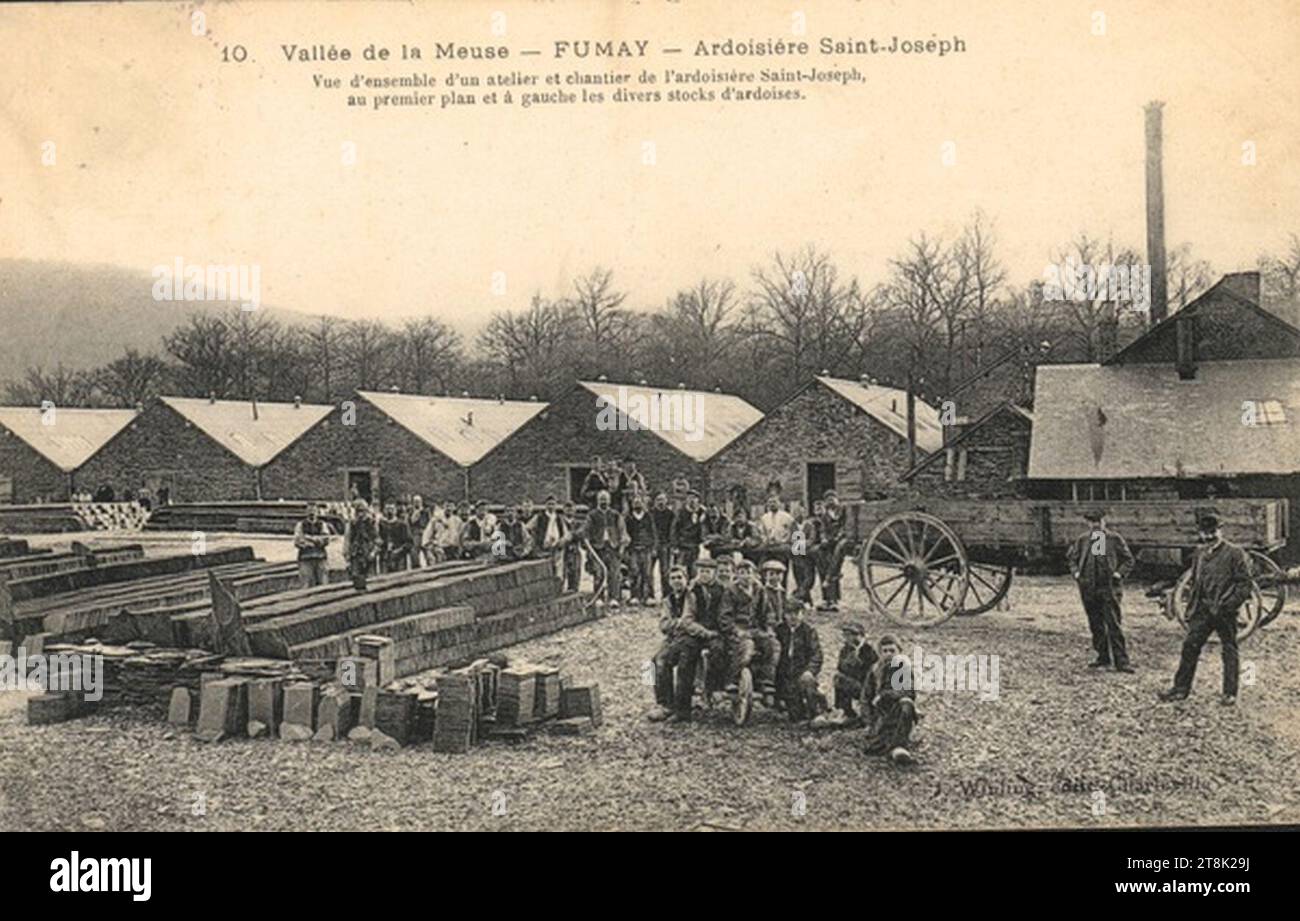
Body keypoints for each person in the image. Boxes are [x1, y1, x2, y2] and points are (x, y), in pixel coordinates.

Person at [1160, 514, 1254, 706]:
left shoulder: (1235, 553)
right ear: (1200, 533)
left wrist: (1228, 606)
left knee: (1229, 649)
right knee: (1190, 647)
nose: (1209, 536)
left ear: (1221, 530)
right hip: (1202, 611)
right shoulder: (1200, 553)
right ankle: (1180, 689)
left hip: (1224, 611)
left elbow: (1244, 585)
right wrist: (1191, 609)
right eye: (1205, 533)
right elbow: (1195, 583)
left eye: (1213, 532)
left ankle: (1229, 693)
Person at [1069, 507, 1136, 672]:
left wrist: (1119, 574)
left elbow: (1128, 560)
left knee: (1113, 623)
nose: (1095, 525)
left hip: (1108, 587)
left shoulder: (1114, 539)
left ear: (1104, 521)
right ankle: (1103, 657)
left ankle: (1122, 661)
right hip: (1089, 587)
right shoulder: (1083, 540)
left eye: (1098, 521)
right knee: (1095, 624)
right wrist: (1077, 574)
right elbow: (1072, 559)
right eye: (1092, 522)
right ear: (1087, 523)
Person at [648, 566, 714, 723]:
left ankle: (682, 708)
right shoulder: (668, 601)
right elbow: (663, 626)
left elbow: (689, 622)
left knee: (685, 662)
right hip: (674, 638)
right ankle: (663, 702)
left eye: (680, 577)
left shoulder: (692, 596)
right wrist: (677, 624)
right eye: (673, 578)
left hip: (692, 638)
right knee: (652, 662)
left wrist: (678, 623)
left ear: (686, 579)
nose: (677, 581)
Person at [728, 558, 785, 707]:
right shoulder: (731, 591)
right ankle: (734, 680)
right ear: (736, 575)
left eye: (748, 573)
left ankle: (767, 683)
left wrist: (770, 628)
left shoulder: (759, 590)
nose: (745, 576)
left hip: (755, 629)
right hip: (738, 629)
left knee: (773, 645)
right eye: (742, 573)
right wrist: (736, 630)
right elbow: (724, 617)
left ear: (754, 574)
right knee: (747, 647)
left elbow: (767, 612)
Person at [861, 634, 920, 765]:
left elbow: (907, 691)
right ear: (880, 653)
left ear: (899, 652)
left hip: (898, 712)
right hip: (880, 714)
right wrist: (868, 721)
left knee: (906, 703)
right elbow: (865, 697)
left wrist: (884, 695)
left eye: (892, 651)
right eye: (885, 651)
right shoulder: (875, 670)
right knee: (875, 744)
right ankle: (890, 746)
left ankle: (899, 746)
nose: (888, 654)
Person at [775, 598, 825, 721]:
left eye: (796, 613)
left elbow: (816, 655)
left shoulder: (809, 631)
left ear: (802, 614)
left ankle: (816, 712)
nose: (793, 617)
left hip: (801, 672)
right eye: (789, 613)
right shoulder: (779, 630)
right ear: (784, 615)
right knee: (796, 716)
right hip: (784, 676)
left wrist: (810, 671)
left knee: (808, 682)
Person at [686, 557, 727, 694]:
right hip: (696, 629)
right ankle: (691, 685)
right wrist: (701, 631)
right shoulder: (691, 589)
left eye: (707, 571)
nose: (704, 574)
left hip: (715, 630)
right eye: (701, 571)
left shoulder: (721, 589)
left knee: (718, 649)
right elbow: (688, 616)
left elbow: (724, 612)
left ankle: (713, 685)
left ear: (714, 573)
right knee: (689, 650)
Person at [584, 489, 627, 610]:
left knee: (614, 573)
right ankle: (599, 598)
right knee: (599, 573)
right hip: (598, 548)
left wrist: (622, 547)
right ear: (598, 500)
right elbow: (586, 531)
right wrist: (588, 545)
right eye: (601, 498)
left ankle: (614, 598)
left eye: (606, 499)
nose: (604, 501)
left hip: (613, 547)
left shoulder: (615, 514)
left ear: (610, 500)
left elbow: (622, 531)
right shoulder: (592, 515)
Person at [831, 623, 876, 725]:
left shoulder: (868, 650)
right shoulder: (845, 650)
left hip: (868, 688)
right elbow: (841, 668)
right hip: (855, 685)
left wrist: (858, 661)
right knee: (839, 679)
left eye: (851, 635)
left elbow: (872, 672)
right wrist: (849, 662)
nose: (848, 638)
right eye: (846, 635)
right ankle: (845, 711)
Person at [817, 490, 850, 611]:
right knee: (822, 562)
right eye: (828, 498)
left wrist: (838, 536)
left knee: (835, 564)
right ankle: (826, 599)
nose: (830, 500)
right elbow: (822, 530)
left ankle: (835, 599)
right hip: (829, 543)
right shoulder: (824, 515)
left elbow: (847, 526)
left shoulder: (844, 510)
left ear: (837, 499)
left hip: (841, 540)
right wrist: (824, 539)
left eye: (833, 497)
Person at [624, 493, 658, 606]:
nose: (637, 504)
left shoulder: (648, 517)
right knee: (634, 572)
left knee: (647, 573)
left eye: (639, 502)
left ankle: (649, 596)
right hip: (634, 549)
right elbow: (626, 534)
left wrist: (653, 548)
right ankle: (634, 596)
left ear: (643, 504)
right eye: (635, 502)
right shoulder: (628, 518)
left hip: (646, 549)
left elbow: (653, 533)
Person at [292, 503, 333, 588]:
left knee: (323, 584)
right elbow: (297, 540)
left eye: (314, 511)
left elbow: (326, 539)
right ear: (306, 512)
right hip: (305, 558)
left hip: (320, 557)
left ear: (317, 512)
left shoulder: (322, 525)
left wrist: (310, 538)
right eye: (309, 511)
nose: (312, 513)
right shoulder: (300, 525)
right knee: (305, 584)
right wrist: (312, 541)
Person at [343, 499, 379, 591]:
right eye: (358, 511)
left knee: (370, 580)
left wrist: (373, 552)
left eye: (363, 511)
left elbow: (377, 540)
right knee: (356, 578)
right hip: (356, 554)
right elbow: (348, 539)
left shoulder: (371, 523)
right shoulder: (352, 524)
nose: (360, 514)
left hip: (368, 553)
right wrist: (346, 554)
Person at [531, 495, 570, 576]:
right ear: (546, 505)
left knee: (558, 570)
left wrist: (562, 540)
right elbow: (527, 528)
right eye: (549, 504)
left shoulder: (559, 518)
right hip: (543, 547)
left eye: (553, 504)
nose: (551, 506)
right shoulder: (539, 517)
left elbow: (566, 533)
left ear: (556, 505)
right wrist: (535, 539)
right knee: (544, 569)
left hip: (557, 548)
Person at [670, 490, 705, 577]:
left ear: (698, 500)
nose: (692, 500)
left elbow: (704, 528)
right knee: (680, 569)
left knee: (694, 570)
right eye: (689, 498)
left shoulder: (701, 512)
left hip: (695, 546)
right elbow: (674, 529)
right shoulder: (681, 512)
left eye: (694, 498)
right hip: (683, 546)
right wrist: (675, 545)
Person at [793, 501, 823, 602]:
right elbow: (791, 538)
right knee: (798, 574)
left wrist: (802, 544)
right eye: (797, 512)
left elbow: (812, 539)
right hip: (796, 555)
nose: (799, 514)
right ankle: (805, 598)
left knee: (809, 575)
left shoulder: (809, 525)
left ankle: (802, 593)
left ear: (805, 514)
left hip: (806, 555)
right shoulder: (793, 525)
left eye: (801, 512)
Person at [650, 492, 676, 600]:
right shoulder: (650, 514)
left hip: (665, 545)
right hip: (652, 545)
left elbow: (673, 530)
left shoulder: (670, 514)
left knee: (665, 571)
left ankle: (666, 595)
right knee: (648, 571)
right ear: (655, 502)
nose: (660, 502)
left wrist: (671, 544)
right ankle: (650, 595)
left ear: (666, 501)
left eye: (662, 500)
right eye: (658, 500)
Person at [380, 503, 413, 573]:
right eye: (387, 509)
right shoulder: (382, 525)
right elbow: (378, 539)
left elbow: (409, 543)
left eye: (391, 509)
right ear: (384, 511)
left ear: (395, 511)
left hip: (399, 559)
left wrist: (399, 550)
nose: (389, 511)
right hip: (385, 558)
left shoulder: (402, 524)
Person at [560, 501, 583, 592]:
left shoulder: (578, 523)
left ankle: (574, 590)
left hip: (574, 550)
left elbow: (581, 533)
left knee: (575, 571)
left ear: (575, 510)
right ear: (563, 510)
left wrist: (572, 535)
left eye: (571, 508)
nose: (569, 510)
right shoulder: (559, 522)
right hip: (562, 551)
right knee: (561, 573)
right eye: (567, 508)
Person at [408, 496, 431, 567]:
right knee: (414, 551)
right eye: (415, 502)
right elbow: (410, 522)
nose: (417, 503)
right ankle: (416, 567)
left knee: (427, 551)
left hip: (424, 532)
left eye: (418, 501)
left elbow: (429, 522)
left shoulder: (426, 511)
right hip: (415, 533)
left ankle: (430, 566)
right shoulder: (411, 512)